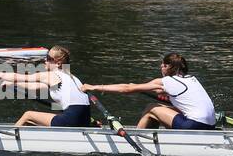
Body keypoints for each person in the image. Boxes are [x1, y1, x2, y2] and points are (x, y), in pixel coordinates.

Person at [82, 53, 217, 129]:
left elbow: (127, 89)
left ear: (167, 66)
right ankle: (154, 136)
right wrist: (139, 86)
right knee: (163, 107)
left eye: (162, 65)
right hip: (210, 125)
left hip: (194, 126)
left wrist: (94, 87)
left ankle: (137, 140)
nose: (161, 68)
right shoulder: (192, 79)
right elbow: (159, 90)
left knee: (151, 108)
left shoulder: (167, 81)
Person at [0, 45, 91, 127]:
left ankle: (10, 138)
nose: (45, 61)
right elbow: (34, 86)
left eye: (48, 59)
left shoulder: (51, 75)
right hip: (86, 119)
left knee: (28, 115)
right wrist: (13, 84)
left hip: (72, 119)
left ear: (58, 63)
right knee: (31, 121)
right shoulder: (73, 78)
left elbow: (18, 76)